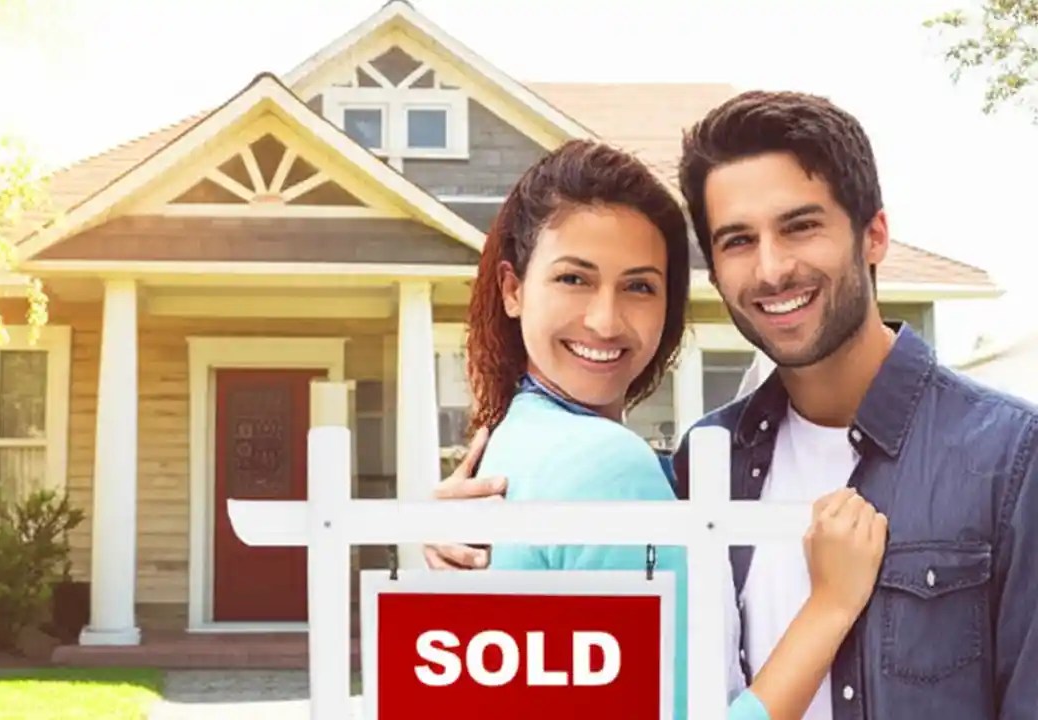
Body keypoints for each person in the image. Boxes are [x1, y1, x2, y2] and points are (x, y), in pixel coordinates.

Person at [431, 91, 1038, 719]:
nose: (772, 269)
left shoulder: (1008, 458)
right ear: (715, 271)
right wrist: (430, 545)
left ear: (874, 235)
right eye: (738, 240)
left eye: (800, 226)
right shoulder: (702, 464)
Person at [441, 138, 888, 720]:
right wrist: (830, 605)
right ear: (512, 289)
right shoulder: (605, 465)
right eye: (574, 279)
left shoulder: (512, 444)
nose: (605, 321)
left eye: (639, 286)